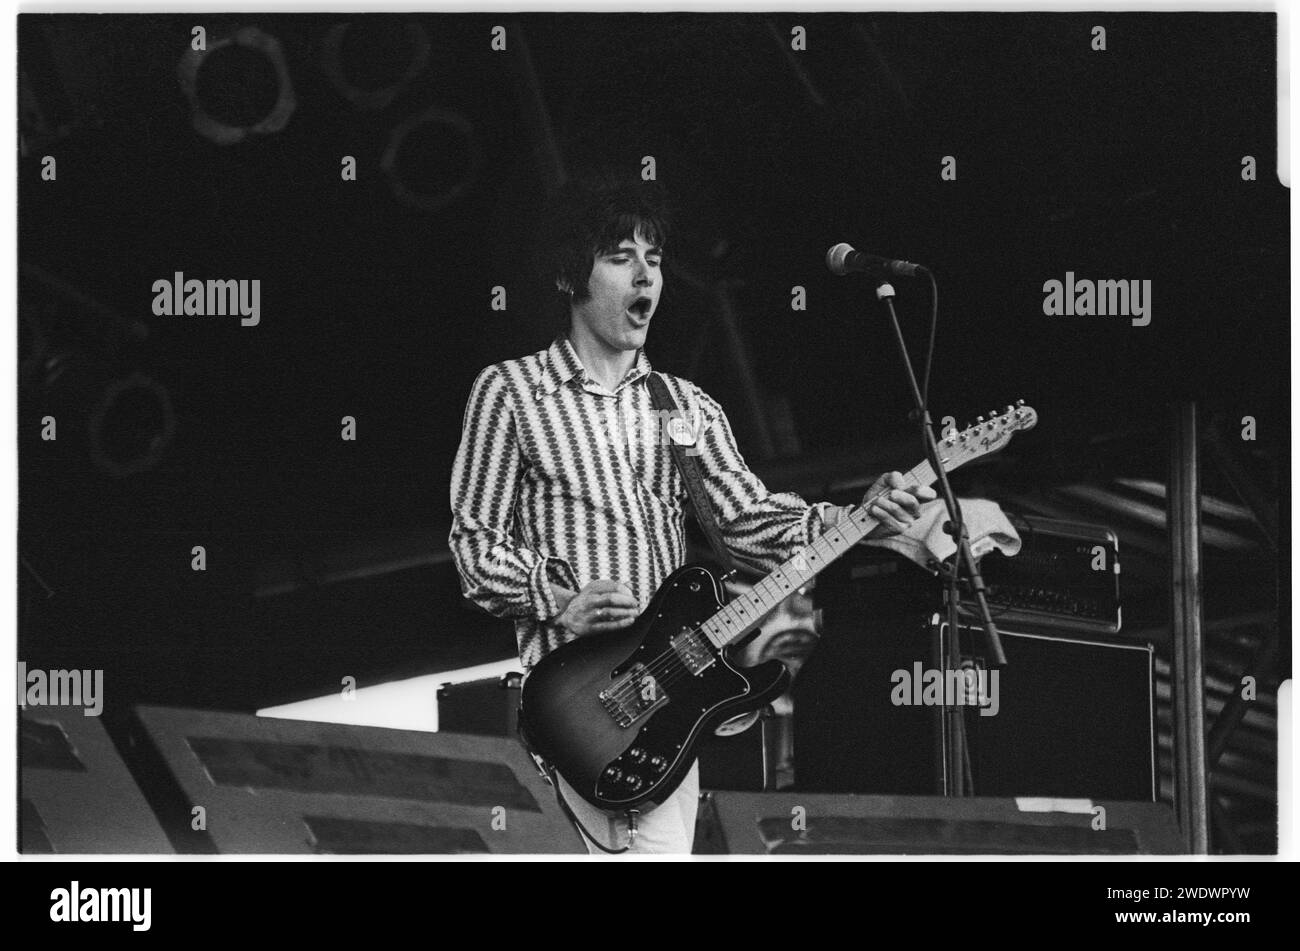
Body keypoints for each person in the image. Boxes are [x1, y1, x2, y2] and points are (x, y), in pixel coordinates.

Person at [448, 173, 935, 853]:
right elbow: (475, 546)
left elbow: (748, 523)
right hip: (569, 714)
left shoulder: (687, 406)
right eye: (621, 256)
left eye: (654, 258)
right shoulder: (511, 392)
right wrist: (559, 597)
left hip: (668, 720)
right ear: (569, 277)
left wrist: (856, 517)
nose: (645, 274)